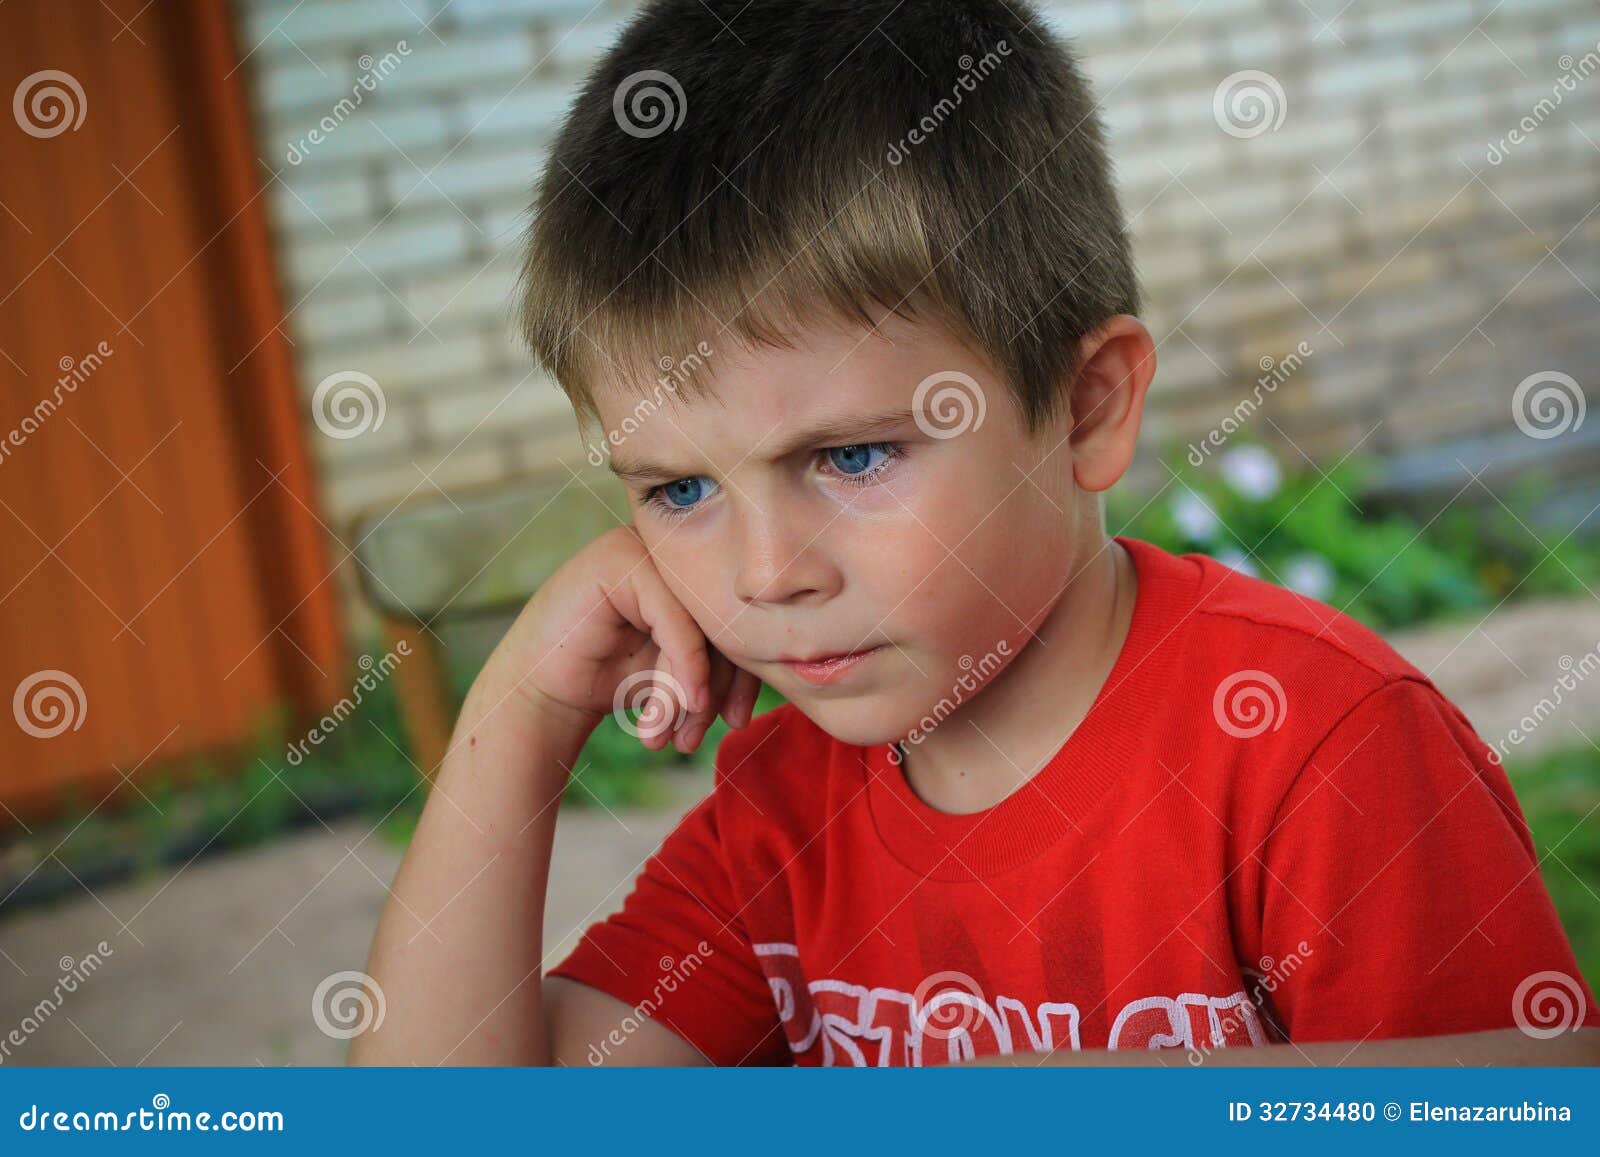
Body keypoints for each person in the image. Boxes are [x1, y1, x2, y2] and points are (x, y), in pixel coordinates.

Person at [351, 0, 1600, 1066]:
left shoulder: (1310, 748)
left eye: (850, 456)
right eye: (678, 490)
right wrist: (519, 708)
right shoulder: (782, 820)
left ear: (1086, 407)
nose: (766, 573)